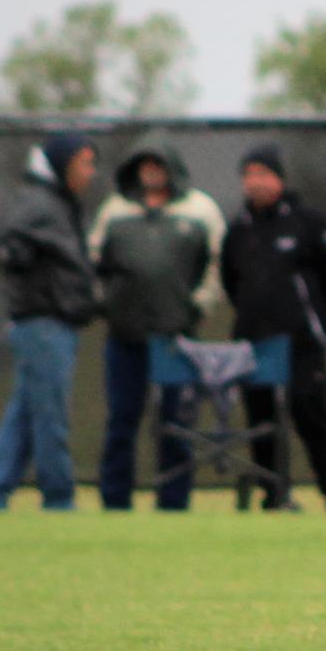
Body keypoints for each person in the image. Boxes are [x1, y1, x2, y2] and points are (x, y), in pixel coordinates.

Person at [86, 145, 226, 511]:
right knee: (122, 420)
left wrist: (198, 305)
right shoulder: (116, 210)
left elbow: (217, 266)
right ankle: (115, 502)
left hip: (176, 338)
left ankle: (174, 504)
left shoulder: (199, 210)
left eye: (158, 165)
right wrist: (107, 304)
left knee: (176, 424)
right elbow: (94, 262)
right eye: (145, 165)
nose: (151, 172)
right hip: (125, 336)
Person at [0, 131, 100, 511]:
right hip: (44, 323)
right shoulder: (41, 202)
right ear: (63, 164)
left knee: (25, 415)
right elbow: (9, 248)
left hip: (51, 323)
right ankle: (59, 499)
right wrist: (20, 260)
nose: (91, 172)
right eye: (85, 163)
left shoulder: (57, 201)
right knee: (50, 418)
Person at [220, 143, 326, 511]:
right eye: (248, 175)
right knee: (261, 421)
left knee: (311, 414)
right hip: (254, 344)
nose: (255, 182)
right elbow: (232, 282)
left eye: (262, 174)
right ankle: (274, 496)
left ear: (279, 178)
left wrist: (312, 315)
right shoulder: (239, 231)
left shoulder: (308, 222)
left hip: (301, 342)